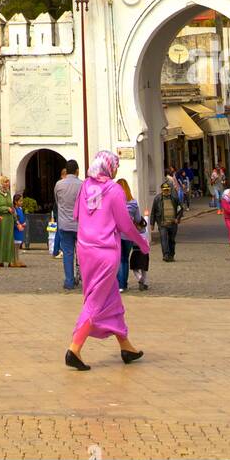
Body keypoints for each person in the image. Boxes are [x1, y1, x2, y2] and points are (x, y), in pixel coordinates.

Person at [65, 151, 148, 372]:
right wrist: (142, 242)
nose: (116, 171)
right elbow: (125, 224)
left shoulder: (84, 187)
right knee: (95, 301)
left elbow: (77, 216)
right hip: (105, 252)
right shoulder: (114, 189)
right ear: (109, 167)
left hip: (85, 249)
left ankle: (126, 346)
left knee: (110, 297)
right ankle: (74, 348)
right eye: (115, 167)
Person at [54, 160, 82, 291]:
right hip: (80, 224)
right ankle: (83, 277)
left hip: (64, 224)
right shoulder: (82, 185)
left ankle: (69, 281)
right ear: (77, 170)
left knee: (67, 253)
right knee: (82, 253)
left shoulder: (59, 185)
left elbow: (57, 201)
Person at [116, 178, 141, 290]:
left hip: (116, 234)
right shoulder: (133, 203)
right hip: (128, 235)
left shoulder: (113, 202)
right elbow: (138, 218)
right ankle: (123, 284)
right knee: (125, 259)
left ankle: (118, 284)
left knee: (118, 259)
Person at [150, 180, 182, 261]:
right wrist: (152, 224)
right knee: (164, 239)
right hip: (162, 223)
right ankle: (166, 255)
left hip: (172, 224)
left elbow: (180, 209)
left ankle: (171, 255)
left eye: (167, 190)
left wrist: (177, 218)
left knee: (171, 240)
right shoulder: (157, 199)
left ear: (170, 190)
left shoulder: (174, 198)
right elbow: (153, 211)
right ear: (162, 190)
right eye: (164, 190)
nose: (166, 191)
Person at [0, 174, 16, 267]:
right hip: (0, 221)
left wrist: (13, 210)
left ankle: (10, 260)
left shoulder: (8, 193)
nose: (7, 183)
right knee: (0, 239)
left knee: (9, 240)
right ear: (1, 183)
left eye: (8, 182)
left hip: (9, 220)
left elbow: (11, 204)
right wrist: (6, 208)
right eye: (6, 182)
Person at [12, 192, 27, 266]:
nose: (22, 202)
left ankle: (17, 259)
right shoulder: (14, 210)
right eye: (20, 201)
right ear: (15, 201)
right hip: (16, 230)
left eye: (22, 201)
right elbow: (14, 220)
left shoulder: (20, 209)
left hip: (20, 229)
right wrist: (19, 224)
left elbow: (22, 217)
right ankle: (14, 260)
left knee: (18, 246)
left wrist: (23, 223)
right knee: (15, 246)